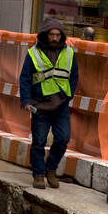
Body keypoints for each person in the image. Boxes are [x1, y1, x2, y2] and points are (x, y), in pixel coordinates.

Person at [19, 16, 78, 189]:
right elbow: (25, 78)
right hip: (40, 106)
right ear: (45, 35)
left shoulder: (68, 53)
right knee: (39, 141)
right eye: (51, 35)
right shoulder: (34, 53)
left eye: (57, 35)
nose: (54, 38)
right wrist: (26, 100)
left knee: (62, 139)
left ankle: (50, 170)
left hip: (61, 106)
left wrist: (68, 95)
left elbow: (74, 76)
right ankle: (38, 174)